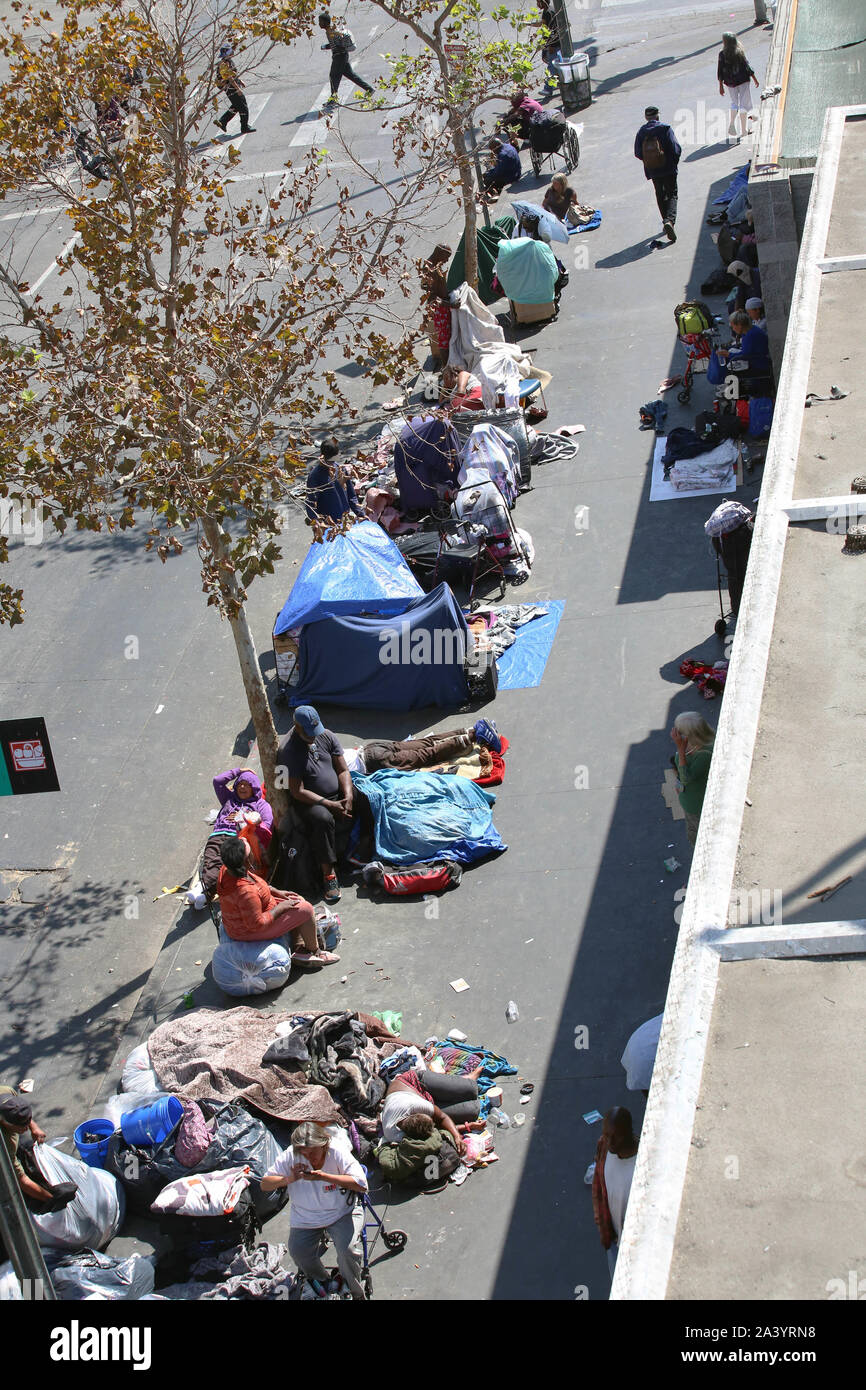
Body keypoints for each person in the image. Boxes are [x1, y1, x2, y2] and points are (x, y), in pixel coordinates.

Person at [261, 1121, 369, 1299]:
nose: (309, 1159)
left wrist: (324, 1176)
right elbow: (265, 1184)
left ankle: (355, 1292)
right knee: (298, 1251)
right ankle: (325, 1282)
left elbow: (361, 1184)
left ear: (324, 1144)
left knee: (347, 1252)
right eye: (304, 1154)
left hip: (341, 1212)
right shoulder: (291, 1156)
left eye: (313, 1153)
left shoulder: (337, 1151)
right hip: (306, 1217)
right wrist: (289, 1178)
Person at [216, 835, 339, 967]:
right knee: (306, 909)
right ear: (247, 861)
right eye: (251, 851)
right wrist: (280, 908)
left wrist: (275, 891)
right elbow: (257, 924)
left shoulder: (228, 869)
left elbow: (257, 887)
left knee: (297, 899)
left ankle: (299, 948)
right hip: (250, 931)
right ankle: (316, 951)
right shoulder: (245, 893)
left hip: (253, 913)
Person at [281, 705, 353, 904]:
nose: (314, 736)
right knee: (322, 818)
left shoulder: (326, 735)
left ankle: (363, 847)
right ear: (297, 727)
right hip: (309, 802)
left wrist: (347, 795)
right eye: (308, 732)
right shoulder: (288, 751)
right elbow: (297, 791)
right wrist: (329, 804)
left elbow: (342, 770)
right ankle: (329, 875)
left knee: (366, 796)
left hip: (335, 795)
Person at [200, 767, 273, 900]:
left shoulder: (261, 804)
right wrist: (239, 771)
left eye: (247, 784)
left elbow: (267, 825)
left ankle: (210, 892)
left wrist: (246, 819)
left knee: (228, 864)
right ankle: (208, 891)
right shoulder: (229, 798)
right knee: (210, 861)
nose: (242, 787)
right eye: (239, 784)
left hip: (237, 838)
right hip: (217, 835)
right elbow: (217, 781)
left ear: (254, 788)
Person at [380, 1067, 483, 1149]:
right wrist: (468, 1126)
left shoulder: (414, 1105)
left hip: (415, 1083)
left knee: (471, 1089)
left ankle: (466, 1079)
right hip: (424, 1101)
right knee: (473, 1110)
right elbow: (436, 1131)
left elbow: (442, 1117)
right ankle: (448, 1093)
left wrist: (457, 1136)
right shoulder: (395, 1136)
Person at [592, 1107, 639, 1281]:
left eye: (615, 1136)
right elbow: (598, 1179)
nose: (609, 1141)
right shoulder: (604, 1146)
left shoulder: (641, 1167)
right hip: (611, 1235)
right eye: (606, 1135)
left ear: (628, 1132)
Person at [0, 1087, 58, 1206]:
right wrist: (50, 1199)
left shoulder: (6, 1092)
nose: (26, 1129)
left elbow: (19, 1108)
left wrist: (34, 1127)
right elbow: (22, 1180)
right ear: (5, 1123)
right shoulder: (6, 1144)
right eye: (22, 1128)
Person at [634, 105, 681, 244]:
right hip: (669, 168)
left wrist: (650, 162)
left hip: (653, 170)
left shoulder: (641, 132)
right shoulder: (665, 128)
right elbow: (675, 148)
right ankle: (670, 221)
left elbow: (638, 152)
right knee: (672, 193)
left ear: (646, 118)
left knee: (660, 194)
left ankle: (665, 221)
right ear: (658, 116)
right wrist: (673, 162)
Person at [670, 712, 715, 846]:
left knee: (697, 832)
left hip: (696, 806)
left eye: (679, 732)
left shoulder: (704, 755)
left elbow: (685, 778)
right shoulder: (692, 745)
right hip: (689, 800)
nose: (675, 734)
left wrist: (680, 750)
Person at [305, 437, 364, 524]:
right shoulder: (315, 476)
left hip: (344, 519)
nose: (331, 465)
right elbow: (311, 503)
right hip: (328, 523)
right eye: (329, 461)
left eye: (333, 461)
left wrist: (361, 514)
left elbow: (351, 496)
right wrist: (318, 523)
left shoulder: (341, 470)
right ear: (323, 456)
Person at [319, 11, 373, 106]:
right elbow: (335, 44)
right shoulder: (329, 31)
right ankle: (369, 89)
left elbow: (339, 45)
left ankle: (333, 99)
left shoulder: (332, 32)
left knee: (333, 76)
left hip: (339, 56)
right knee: (351, 75)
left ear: (325, 22)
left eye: (320, 21)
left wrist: (337, 49)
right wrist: (326, 46)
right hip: (341, 55)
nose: (319, 24)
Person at [717, 32, 759, 141]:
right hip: (743, 80)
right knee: (744, 103)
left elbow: (720, 71)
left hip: (730, 83)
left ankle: (732, 123)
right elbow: (747, 67)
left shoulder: (722, 54)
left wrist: (720, 86)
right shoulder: (739, 52)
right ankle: (744, 130)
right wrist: (754, 78)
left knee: (734, 103)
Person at [422, 244, 453, 369]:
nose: (446, 261)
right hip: (440, 309)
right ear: (439, 253)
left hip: (443, 306)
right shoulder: (429, 269)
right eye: (446, 257)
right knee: (444, 341)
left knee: (446, 338)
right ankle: (446, 369)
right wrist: (450, 304)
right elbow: (432, 296)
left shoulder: (434, 266)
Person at [215, 44, 255, 136]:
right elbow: (229, 78)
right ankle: (244, 127)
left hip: (232, 86)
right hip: (231, 88)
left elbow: (233, 74)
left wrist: (240, 80)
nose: (233, 52)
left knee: (236, 106)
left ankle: (223, 121)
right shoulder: (224, 64)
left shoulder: (228, 61)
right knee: (243, 106)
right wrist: (238, 89)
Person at [717, 309, 770, 376]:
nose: (733, 329)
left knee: (727, 370)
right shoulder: (749, 331)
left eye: (733, 326)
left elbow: (745, 355)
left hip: (759, 365)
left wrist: (728, 354)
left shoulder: (750, 335)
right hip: (757, 360)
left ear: (739, 325)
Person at [478, 138, 522, 202]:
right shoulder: (508, 146)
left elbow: (498, 172)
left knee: (487, 180)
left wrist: (488, 174)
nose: (493, 151)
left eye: (493, 149)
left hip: (512, 176)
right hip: (516, 171)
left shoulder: (503, 155)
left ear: (496, 147)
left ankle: (497, 193)